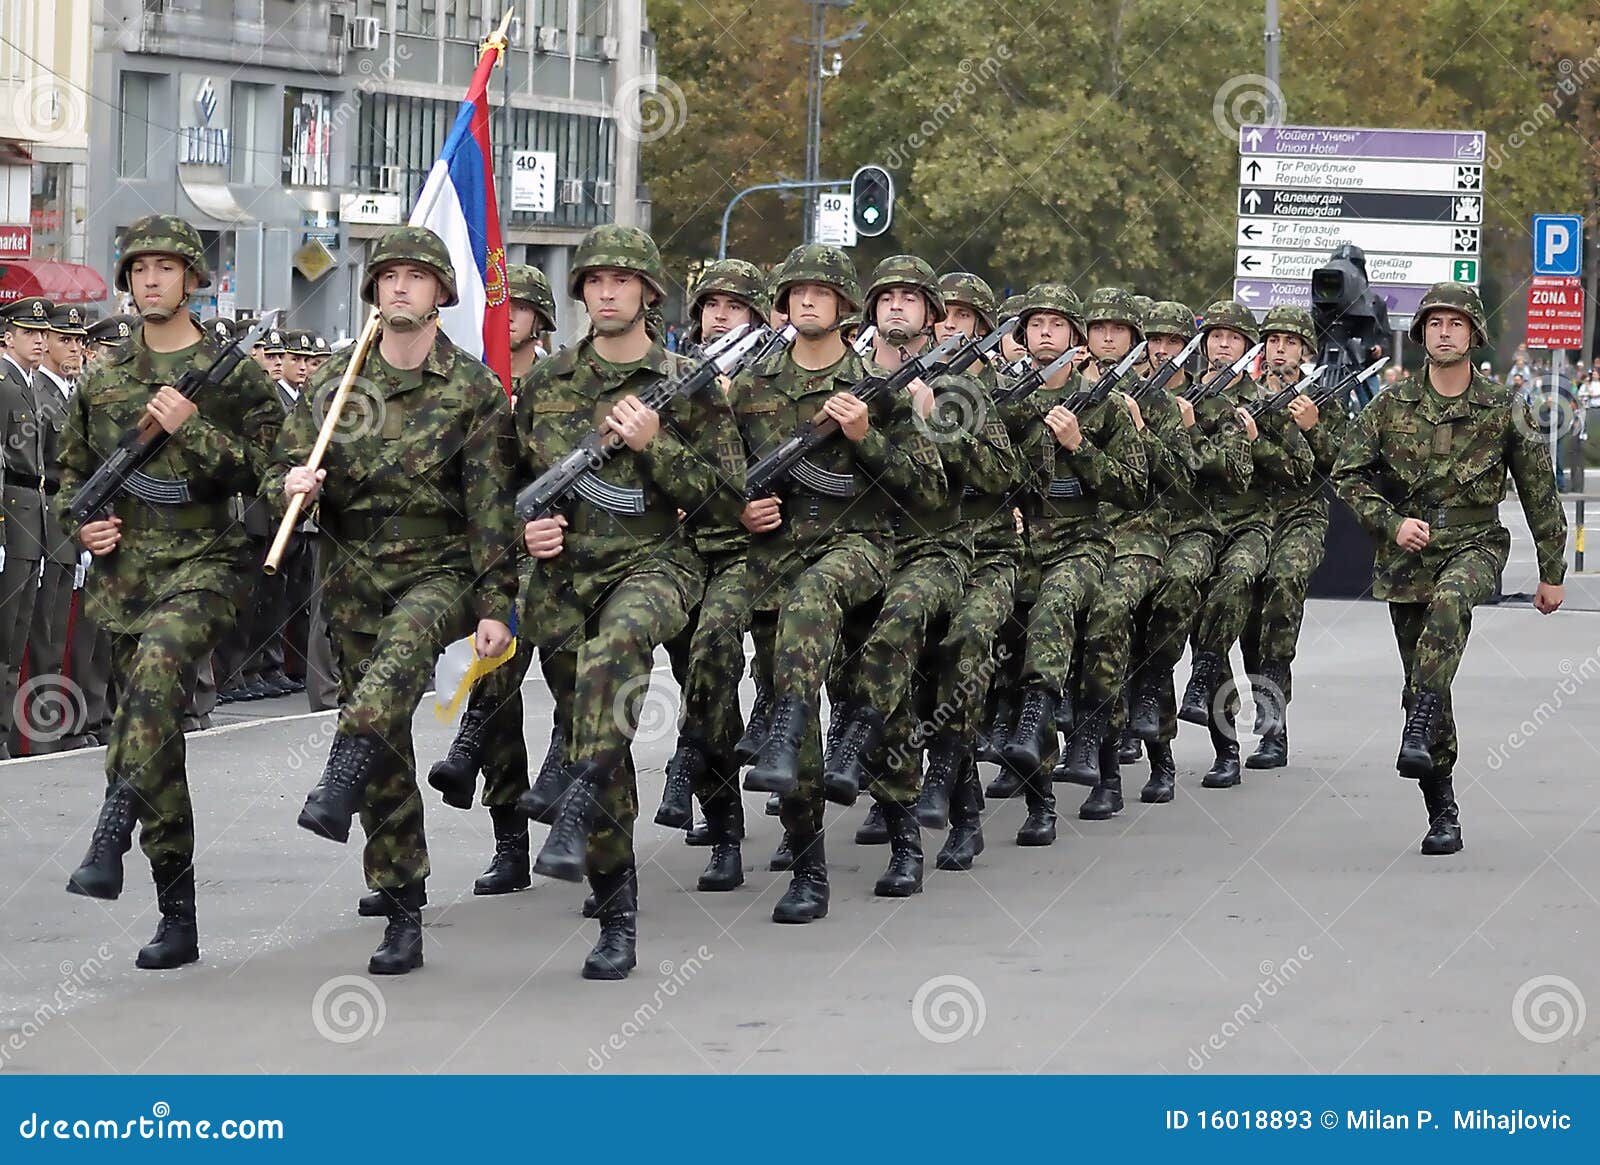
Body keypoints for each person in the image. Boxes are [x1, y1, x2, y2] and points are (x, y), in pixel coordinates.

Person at [280, 226, 516, 976]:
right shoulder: (334, 386)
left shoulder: (471, 387)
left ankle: (336, 776)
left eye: (416, 276)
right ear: (373, 292)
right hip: (351, 574)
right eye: (388, 277)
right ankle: (402, 900)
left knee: (401, 656)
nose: (401, 287)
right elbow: (279, 472)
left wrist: (494, 604)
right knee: (387, 742)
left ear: (442, 291)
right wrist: (291, 487)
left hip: (437, 569)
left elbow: (489, 507)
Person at [517, 224, 746, 975]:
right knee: (598, 727)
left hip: (655, 565)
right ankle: (617, 907)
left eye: (622, 280)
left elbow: (726, 500)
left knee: (618, 651)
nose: (606, 291)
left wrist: (655, 444)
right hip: (565, 581)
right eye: (594, 280)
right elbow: (507, 490)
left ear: (650, 292)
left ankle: (580, 808)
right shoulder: (548, 383)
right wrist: (532, 533)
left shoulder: (685, 382)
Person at [59, 214, 281, 970]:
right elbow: (69, 477)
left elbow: (274, 470)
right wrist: (83, 525)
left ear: (193, 278)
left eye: (166, 267)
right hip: (127, 580)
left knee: (157, 676)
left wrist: (194, 429)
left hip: (207, 565)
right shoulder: (104, 373)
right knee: (155, 739)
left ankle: (110, 825)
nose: (152, 280)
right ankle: (176, 913)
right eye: (140, 269)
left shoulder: (233, 371)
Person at [735, 243, 942, 921]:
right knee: (805, 722)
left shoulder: (878, 387)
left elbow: (927, 489)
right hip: (778, 560)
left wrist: (867, 440)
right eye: (796, 290)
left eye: (821, 292)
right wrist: (740, 506)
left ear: (847, 307)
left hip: (860, 551)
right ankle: (807, 866)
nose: (807, 300)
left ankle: (905, 833)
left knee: (872, 695)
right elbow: (719, 474)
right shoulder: (756, 384)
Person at [1334, 282, 1566, 855]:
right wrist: (1390, 523)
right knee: (1424, 674)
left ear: (1473, 335)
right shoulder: (1389, 406)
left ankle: (1419, 719)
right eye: (1434, 323)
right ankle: (1443, 811)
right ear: (1421, 335)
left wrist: (1552, 569)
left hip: (1476, 542)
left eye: (1455, 323)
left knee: (1450, 602)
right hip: (1408, 553)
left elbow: (1540, 490)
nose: (1444, 331)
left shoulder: (1505, 407)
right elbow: (1348, 476)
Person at [425, 262, 568, 903]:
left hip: (561, 557)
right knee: (499, 687)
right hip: (492, 558)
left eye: (514, 310)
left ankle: (579, 829)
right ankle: (510, 843)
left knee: (581, 701)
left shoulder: (557, 382)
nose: (502, 319)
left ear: (539, 318)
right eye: (493, 308)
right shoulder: (468, 385)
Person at [1239, 304, 1348, 769]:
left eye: (1290, 342)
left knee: (1284, 585)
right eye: (1273, 340)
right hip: (1253, 514)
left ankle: (1273, 726)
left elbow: (1344, 464)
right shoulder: (1242, 393)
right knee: (1247, 611)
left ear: (1306, 350)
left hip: (1302, 514)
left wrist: (1315, 429)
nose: (1280, 349)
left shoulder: (1324, 400)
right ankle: (1266, 703)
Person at [0, 297, 54, 759]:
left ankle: (4, 733)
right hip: (11, 513)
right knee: (3, 629)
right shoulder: (2, 384)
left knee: (18, 630)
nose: (40, 340)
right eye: (29, 332)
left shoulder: (29, 384)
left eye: (42, 334)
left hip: (31, 513)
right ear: (8, 336)